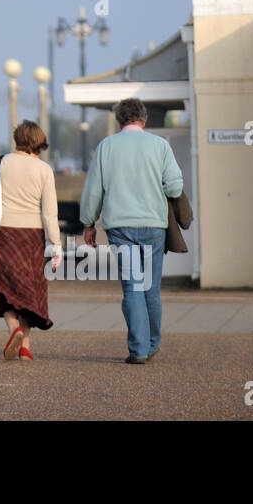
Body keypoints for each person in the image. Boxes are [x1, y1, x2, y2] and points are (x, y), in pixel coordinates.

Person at [80, 98, 184, 364]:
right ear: (144, 119)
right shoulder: (160, 146)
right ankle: (152, 344)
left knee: (133, 288)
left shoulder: (106, 147)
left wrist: (88, 223)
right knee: (151, 289)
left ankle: (137, 350)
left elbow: (93, 190)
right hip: (153, 225)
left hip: (120, 227)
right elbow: (174, 187)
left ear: (119, 121)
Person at [0, 121, 62, 360]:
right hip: (32, 236)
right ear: (39, 142)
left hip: (3, 233)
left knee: (3, 286)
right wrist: (56, 246)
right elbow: (50, 213)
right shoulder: (44, 170)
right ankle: (26, 347)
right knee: (29, 289)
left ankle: (14, 330)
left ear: (17, 139)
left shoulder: (2, 162)